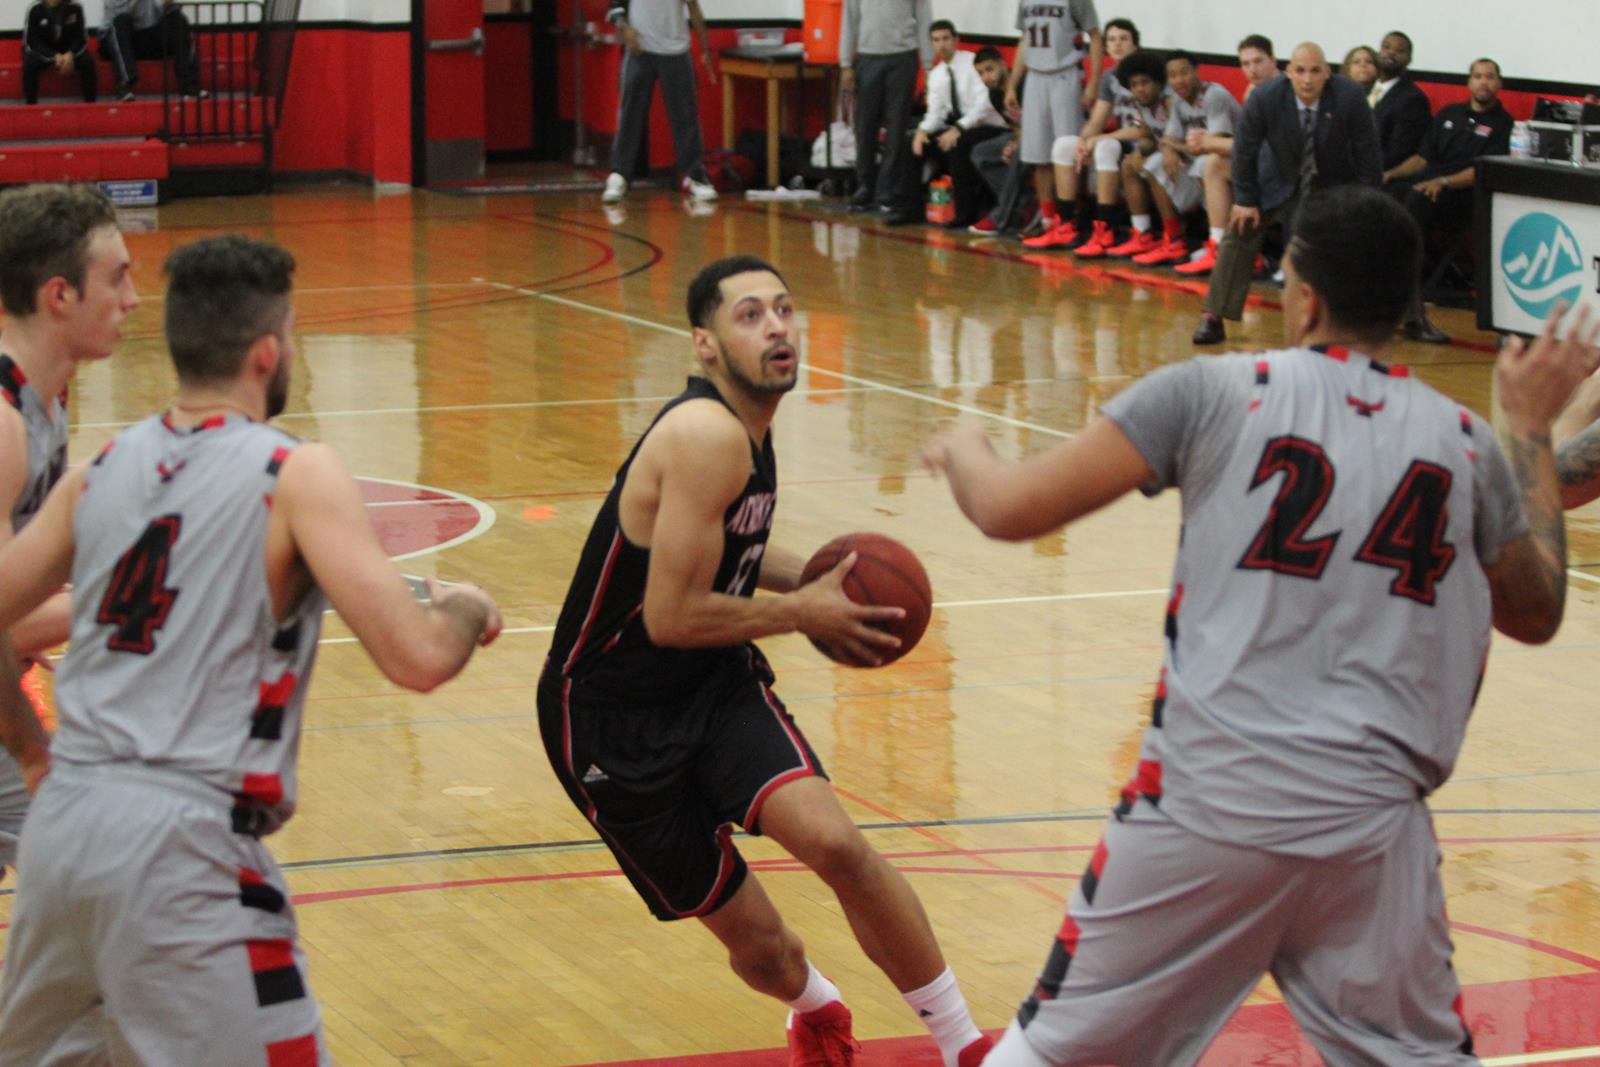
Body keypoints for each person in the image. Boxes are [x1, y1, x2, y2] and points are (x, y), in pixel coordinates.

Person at [926, 184, 1600, 1066]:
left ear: (1304, 295)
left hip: (1212, 807)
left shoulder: (1210, 390)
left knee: (1050, 1055)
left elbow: (1011, 510)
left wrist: (966, 447)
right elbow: (1538, 610)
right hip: (1373, 835)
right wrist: (1529, 424)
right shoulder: (1466, 441)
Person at [0, 235, 502, 1066]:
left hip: (64, 832)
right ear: (269, 351)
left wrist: (27, 743)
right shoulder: (294, 470)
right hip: (182, 845)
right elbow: (416, 656)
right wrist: (466, 606)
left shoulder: (103, 468)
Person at [537, 255, 992, 1067]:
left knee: (841, 846)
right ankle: (814, 1004)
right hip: (608, 719)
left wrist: (810, 575)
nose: (777, 326)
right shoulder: (706, 431)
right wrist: (802, 609)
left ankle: (966, 1047)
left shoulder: (749, 425)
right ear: (703, 345)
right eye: (749, 315)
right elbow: (672, 614)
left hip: (710, 686)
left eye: (783, 308)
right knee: (765, 953)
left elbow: (724, 549)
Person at [0, 183, 137, 876]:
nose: (133, 298)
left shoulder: (44, 394)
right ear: (59, 295)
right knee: (110, 879)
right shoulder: (2, 423)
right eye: (117, 278)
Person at [1192, 42, 1381, 346]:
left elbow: (1367, 151)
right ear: (1288, 72)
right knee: (1240, 229)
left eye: (1315, 71)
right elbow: (1244, 151)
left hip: (1332, 178)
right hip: (1276, 176)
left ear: (1328, 73)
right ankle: (1213, 316)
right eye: (1301, 71)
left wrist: (1370, 199)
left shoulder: (1349, 96)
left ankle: (1411, 318)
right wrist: (1244, 199)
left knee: (1384, 227)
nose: (1307, 79)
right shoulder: (1266, 96)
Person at [1387, 58, 1514, 344]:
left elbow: (1483, 169)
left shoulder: (1503, 124)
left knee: (1415, 201)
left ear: (1499, 84)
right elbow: (1421, 159)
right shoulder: (1450, 113)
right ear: (1469, 82)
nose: (1484, 81)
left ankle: (1412, 314)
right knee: (1380, 197)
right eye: (1478, 76)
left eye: (1490, 76)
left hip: (1460, 197)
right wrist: (1388, 175)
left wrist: (1443, 182)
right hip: (1425, 184)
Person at [1105, 50, 1241, 265]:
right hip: (1196, 164)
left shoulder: (1212, 95)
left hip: (1232, 166)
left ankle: (1223, 245)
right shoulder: (1175, 101)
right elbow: (1164, 138)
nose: (1179, 79)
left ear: (1197, 72)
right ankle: (1165, 237)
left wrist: (1171, 147)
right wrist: (1164, 148)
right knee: (1141, 162)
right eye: (1174, 75)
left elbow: (1214, 143)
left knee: (1205, 163)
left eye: (1184, 73)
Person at [1019, 15, 1136, 250]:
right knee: (1064, 144)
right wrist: (1084, 140)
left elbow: (1146, 129)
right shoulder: (1110, 77)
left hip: (1140, 141)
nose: (1117, 44)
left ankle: (1106, 229)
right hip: (1119, 139)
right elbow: (1096, 120)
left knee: (1105, 147)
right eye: (1112, 39)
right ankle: (1065, 224)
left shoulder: (1146, 70)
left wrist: (1100, 138)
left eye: (1124, 39)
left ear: (1136, 44)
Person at [601, 0, 720, 204]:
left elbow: (693, 7)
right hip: (640, 51)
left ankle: (695, 176)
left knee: (685, 116)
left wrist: (705, 49)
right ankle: (620, 175)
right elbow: (614, 8)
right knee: (630, 113)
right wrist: (625, 28)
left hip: (676, 51)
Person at [1007, 0, 1102, 248]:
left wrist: (1093, 81)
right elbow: (1023, 40)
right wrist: (1013, 83)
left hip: (1066, 74)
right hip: (1035, 76)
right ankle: (1049, 220)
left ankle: (1075, 219)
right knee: (1038, 155)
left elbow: (1095, 35)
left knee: (1069, 153)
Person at [841, 0, 933, 224]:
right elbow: (849, 20)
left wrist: (928, 64)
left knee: (897, 128)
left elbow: (924, 20)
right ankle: (864, 187)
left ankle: (888, 190)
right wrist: (845, 63)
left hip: (903, 57)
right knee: (864, 127)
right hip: (867, 57)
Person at [910, 21, 1009, 228]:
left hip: (991, 124)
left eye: (946, 39)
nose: (942, 45)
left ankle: (966, 213)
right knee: (915, 142)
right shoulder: (936, 74)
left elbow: (985, 104)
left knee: (959, 145)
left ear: (955, 40)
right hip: (963, 126)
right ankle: (910, 207)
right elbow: (936, 113)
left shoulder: (973, 64)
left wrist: (959, 128)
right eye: (936, 40)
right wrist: (922, 131)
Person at [967, 48, 1028, 235]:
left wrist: (1016, 143)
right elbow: (1015, 125)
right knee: (980, 152)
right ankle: (1023, 204)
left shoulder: (1023, 85)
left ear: (1003, 64)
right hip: (1020, 134)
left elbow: (1037, 123)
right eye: (981, 73)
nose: (987, 77)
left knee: (1020, 153)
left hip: (1041, 136)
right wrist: (1014, 140)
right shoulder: (994, 95)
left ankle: (1000, 216)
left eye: (989, 69)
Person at [101, 0, 206, 101]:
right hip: (114, 40)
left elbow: (162, 10)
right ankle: (124, 85)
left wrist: (167, 4)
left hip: (146, 37)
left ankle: (190, 88)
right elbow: (119, 13)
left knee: (176, 17)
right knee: (121, 21)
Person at [1370, 31, 1432, 174]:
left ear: (1409, 59)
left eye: (1400, 50)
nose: (1391, 53)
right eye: (1386, 47)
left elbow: (1398, 151)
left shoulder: (1413, 99)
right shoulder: (1364, 89)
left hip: (1380, 175)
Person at [22, 0, 96, 104]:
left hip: (68, 51)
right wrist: (53, 56)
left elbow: (81, 38)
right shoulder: (35, 9)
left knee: (87, 61)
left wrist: (70, 54)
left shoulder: (75, 7)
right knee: (29, 63)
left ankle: (90, 104)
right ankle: (30, 105)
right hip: (45, 51)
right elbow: (32, 42)